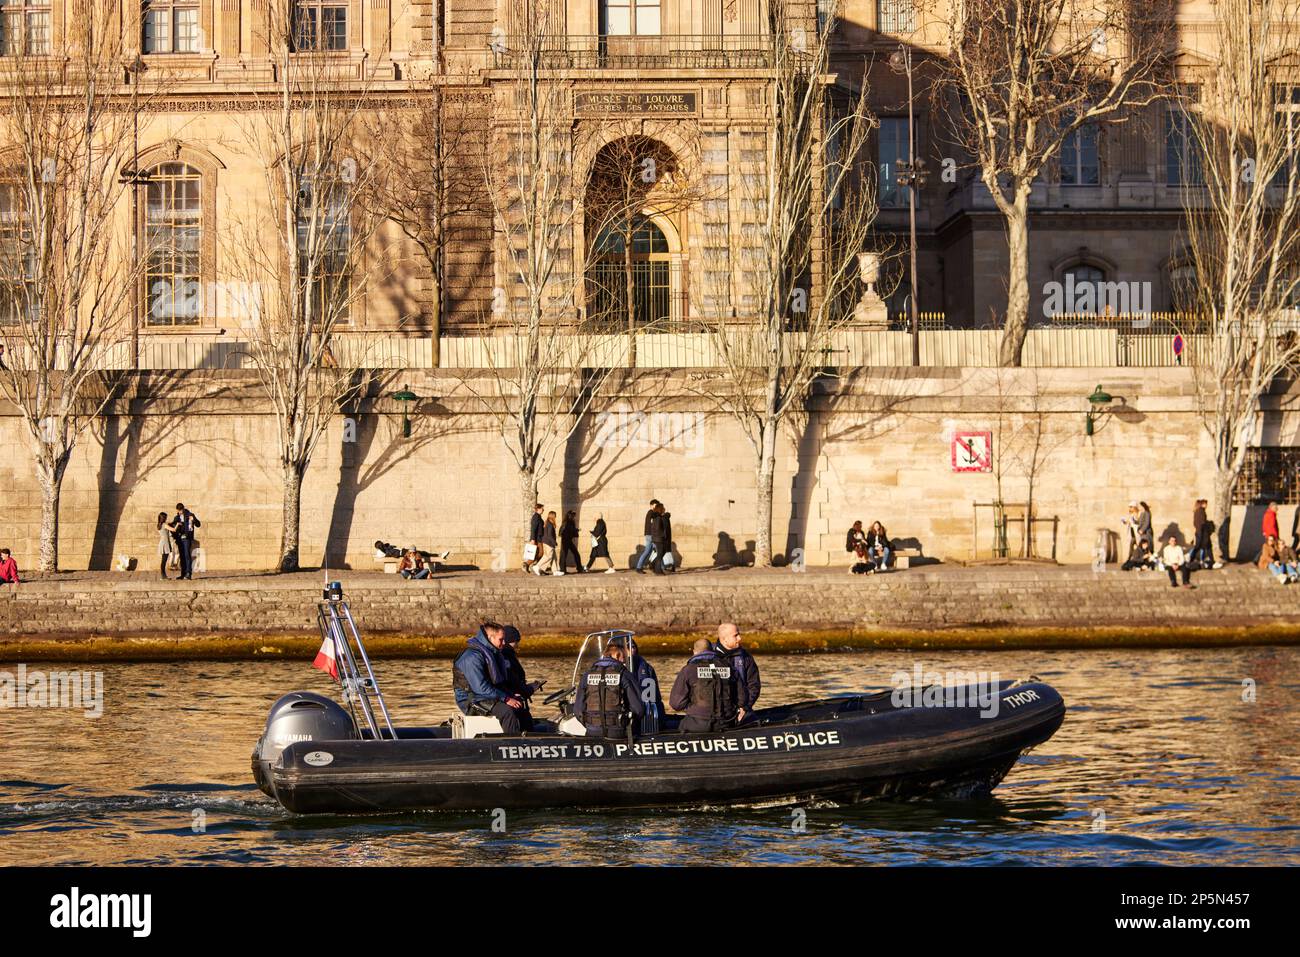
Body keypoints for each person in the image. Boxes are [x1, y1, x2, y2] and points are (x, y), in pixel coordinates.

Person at [452, 621, 532, 734]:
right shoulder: (471, 657)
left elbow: (497, 683)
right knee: (507, 711)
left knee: (520, 707)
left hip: (486, 696)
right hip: (471, 699)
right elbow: (480, 688)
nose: (504, 643)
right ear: (490, 637)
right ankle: (512, 743)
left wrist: (510, 695)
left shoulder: (493, 653)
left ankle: (531, 741)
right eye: (501, 639)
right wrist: (506, 699)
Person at [573, 640, 644, 738]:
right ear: (618, 655)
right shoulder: (624, 674)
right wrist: (628, 725)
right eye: (624, 658)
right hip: (617, 732)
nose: (624, 662)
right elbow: (638, 709)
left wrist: (590, 725)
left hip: (592, 731)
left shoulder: (587, 675)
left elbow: (577, 710)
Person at [669, 638, 740, 733]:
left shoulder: (688, 670)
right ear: (712, 650)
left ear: (694, 652)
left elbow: (676, 704)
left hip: (697, 723)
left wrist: (692, 707)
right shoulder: (729, 667)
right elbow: (742, 699)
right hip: (726, 723)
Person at [713, 622, 760, 720]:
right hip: (714, 712)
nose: (740, 638)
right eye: (735, 635)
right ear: (725, 639)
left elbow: (754, 685)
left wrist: (745, 707)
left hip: (740, 710)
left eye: (739, 634)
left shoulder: (745, 657)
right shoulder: (709, 657)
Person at [627, 638, 665, 733]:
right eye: (628, 647)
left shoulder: (646, 669)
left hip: (647, 718)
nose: (632, 649)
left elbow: (650, 698)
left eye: (633, 647)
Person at [500, 625, 545, 701]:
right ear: (508, 641)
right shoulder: (506, 657)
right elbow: (512, 680)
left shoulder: (508, 655)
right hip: (513, 697)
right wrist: (529, 689)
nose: (517, 645)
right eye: (515, 642)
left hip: (514, 694)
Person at [171, 502, 201, 580]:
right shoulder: (177, 517)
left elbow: (198, 524)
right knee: (182, 556)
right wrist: (176, 525)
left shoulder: (190, 515)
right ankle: (183, 573)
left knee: (187, 555)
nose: (179, 512)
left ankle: (188, 573)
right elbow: (173, 525)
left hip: (187, 538)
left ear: (183, 509)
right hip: (180, 539)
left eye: (180, 511)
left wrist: (193, 519)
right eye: (178, 511)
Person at [1190, 499, 1220, 569]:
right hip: (1203, 533)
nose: (1206, 505)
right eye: (1206, 504)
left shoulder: (1197, 511)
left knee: (1206, 547)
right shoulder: (1201, 511)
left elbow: (1197, 523)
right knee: (1200, 547)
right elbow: (1202, 523)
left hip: (1201, 533)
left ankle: (1212, 562)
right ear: (1202, 504)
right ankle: (1191, 560)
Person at [635, 499, 662, 574]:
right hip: (650, 535)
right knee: (658, 551)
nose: (656, 507)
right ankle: (659, 567)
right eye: (655, 505)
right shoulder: (651, 512)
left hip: (649, 535)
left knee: (650, 551)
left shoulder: (652, 513)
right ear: (652, 505)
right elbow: (655, 517)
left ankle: (641, 567)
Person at [532, 510, 561, 575]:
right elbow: (550, 535)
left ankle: (555, 571)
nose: (556, 517)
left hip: (546, 542)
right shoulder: (550, 524)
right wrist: (554, 542)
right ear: (553, 516)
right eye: (555, 515)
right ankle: (537, 566)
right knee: (549, 556)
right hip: (549, 542)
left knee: (553, 557)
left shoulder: (547, 523)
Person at [652, 501, 673, 574]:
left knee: (661, 553)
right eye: (663, 508)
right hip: (659, 539)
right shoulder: (657, 517)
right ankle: (658, 571)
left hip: (658, 538)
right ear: (660, 509)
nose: (664, 509)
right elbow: (658, 529)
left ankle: (654, 565)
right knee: (660, 554)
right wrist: (663, 536)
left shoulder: (658, 516)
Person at [524, 503, 545, 572]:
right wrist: (533, 539)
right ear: (538, 509)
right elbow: (533, 528)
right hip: (537, 538)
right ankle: (528, 564)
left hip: (539, 538)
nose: (543, 510)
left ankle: (534, 566)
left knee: (538, 553)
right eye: (542, 508)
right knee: (540, 553)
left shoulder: (538, 516)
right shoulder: (536, 517)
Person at [156, 511, 177, 580]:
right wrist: (178, 524)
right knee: (164, 560)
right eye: (166, 517)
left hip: (162, 543)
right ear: (164, 518)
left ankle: (163, 575)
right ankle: (163, 576)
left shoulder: (159, 525)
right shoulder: (164, 525)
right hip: (165, 543)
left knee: (163, 560)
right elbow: (173, 530)